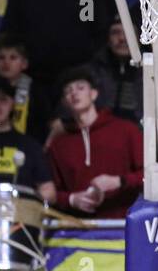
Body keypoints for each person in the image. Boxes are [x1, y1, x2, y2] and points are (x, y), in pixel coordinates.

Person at [47, 67, 143, 217]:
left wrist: (119, 181)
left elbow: (150, 175)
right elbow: (50, 191)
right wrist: (72, 199)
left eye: (80, 87)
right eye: (68, 91)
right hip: (79, 230)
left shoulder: (126, 130)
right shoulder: (58, 144)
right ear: (64, 101)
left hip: (125, 225)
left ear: (94, 93)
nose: (74, 93)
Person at [0, 74, 57, 201]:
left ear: (12, 104)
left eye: (3, 99)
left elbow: (49, 190)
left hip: (18, 216)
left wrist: (35, 200)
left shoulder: (29, 145)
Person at [90, 18, 142, 126]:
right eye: (115, 33)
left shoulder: (154, 70)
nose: (122, 38)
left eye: (129, 32)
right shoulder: (91, 72)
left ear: (139, 39)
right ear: (108, 39)